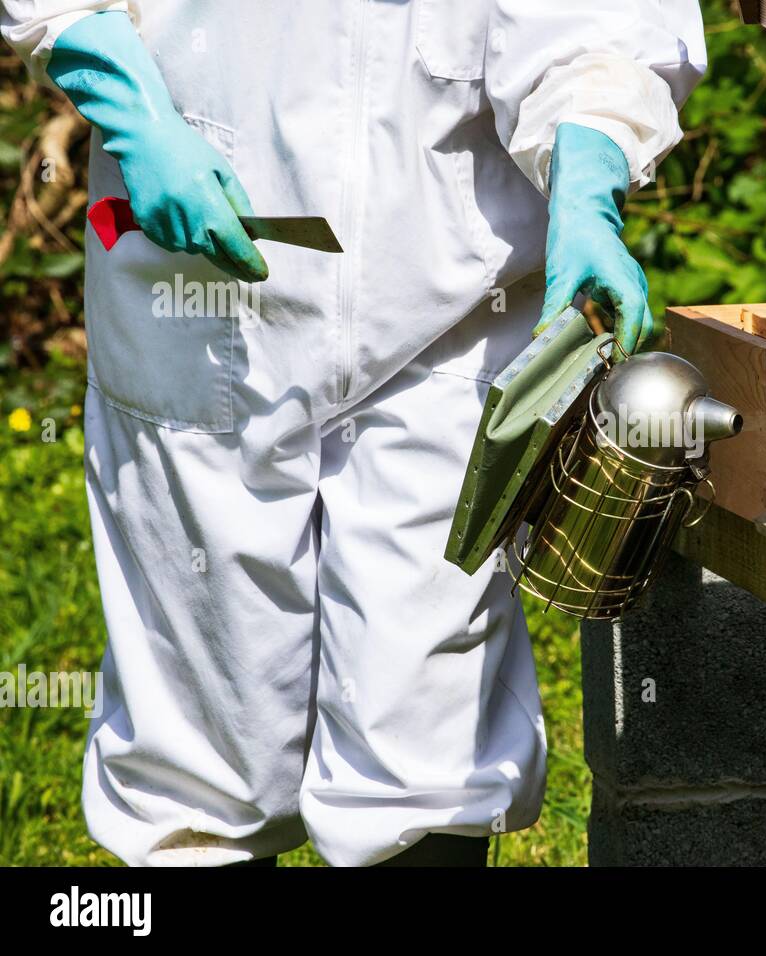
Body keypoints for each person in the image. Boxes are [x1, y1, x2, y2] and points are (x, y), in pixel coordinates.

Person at [1, 0, 705, 867]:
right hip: (202, 297)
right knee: (200, 730)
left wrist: (589, 186)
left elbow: (596, 29)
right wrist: (136, 113)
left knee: (425, 729)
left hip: (449, 308)